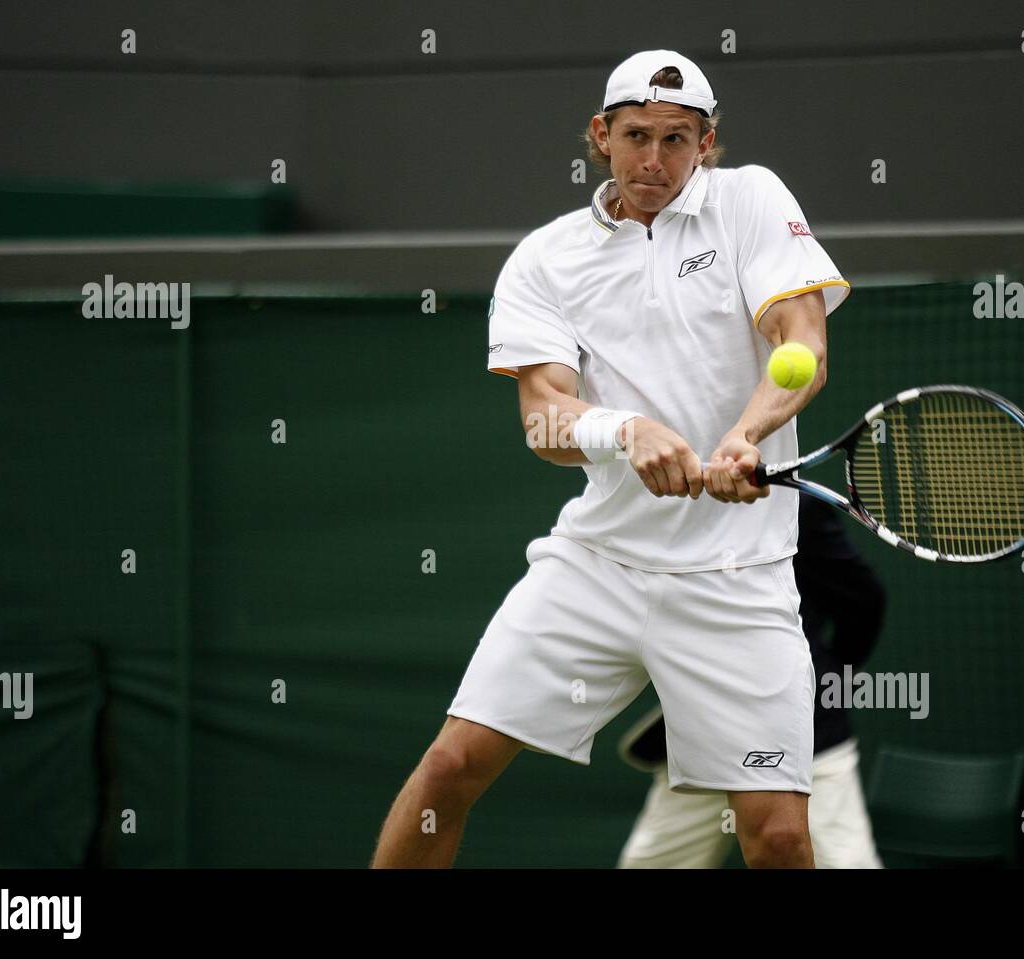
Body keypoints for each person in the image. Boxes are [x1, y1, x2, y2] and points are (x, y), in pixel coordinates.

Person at [371, 48, 850, 869]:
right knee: (449, 769)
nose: (654, 159)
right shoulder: (546, 259)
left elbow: (800, 339)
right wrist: (624, 432)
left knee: (777, 836)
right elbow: (543, 421)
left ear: (708, 142)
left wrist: (746, 432)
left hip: (739, 578)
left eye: (677, 138)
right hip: (599, 565)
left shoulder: (751, 201)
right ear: (600, 134)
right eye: (636, 136)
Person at [617, 495, 887, 868]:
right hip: (702, 739)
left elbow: (864, 604)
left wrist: (817, 685)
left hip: (808, 744)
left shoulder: (796, 507)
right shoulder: (653, 507)